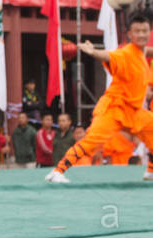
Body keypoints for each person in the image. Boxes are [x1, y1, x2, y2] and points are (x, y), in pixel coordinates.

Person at [47, 12, 153, 183]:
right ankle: (58, 171)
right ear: (129, 34)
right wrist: (93, 52)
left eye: (145, 31)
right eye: (137, 31)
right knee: (92, 141)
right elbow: (108, 56)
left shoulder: (141, 51)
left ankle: (150, 171)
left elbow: (148, 51)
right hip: (114, 108)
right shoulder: (125, 53)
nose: (141, 34)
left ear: (149, 32)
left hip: (133, 111)